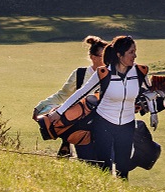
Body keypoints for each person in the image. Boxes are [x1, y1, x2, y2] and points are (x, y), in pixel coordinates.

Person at [48, 36, 147, 178]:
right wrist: (59, 112)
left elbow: (150, 92)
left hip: (127, 124)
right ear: (119, 55)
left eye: (135, 51)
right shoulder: (103, 73)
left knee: (123, 168)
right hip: (104, 123)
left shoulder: (140, 73)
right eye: (131, 52)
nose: (135, 55)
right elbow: (81, 93)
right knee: (104, 167)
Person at [33, 36, 107, 158]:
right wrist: (40, 106)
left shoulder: (112, 76)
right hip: (81, 128)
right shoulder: (80, 74)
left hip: (103, 124)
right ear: (93, 58)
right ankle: (66, 144)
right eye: (103, 56)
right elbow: (63, 95)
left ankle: (66, 145)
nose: (108, 59)